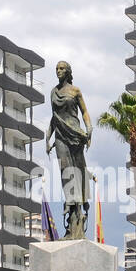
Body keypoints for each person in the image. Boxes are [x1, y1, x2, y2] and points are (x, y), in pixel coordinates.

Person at [43, 60, 93, 240]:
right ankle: (71, 224)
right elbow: (53, 117)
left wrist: (89, 129)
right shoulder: (53, 92)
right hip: (60, 137)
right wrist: (47, 137)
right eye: (56, 68)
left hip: (76, 135)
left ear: (68, 71)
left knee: (77, 175)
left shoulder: (75, 91)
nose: (58, 71)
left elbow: (85, 112)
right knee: (66, 174)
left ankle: (78, 222)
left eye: (61, 68)